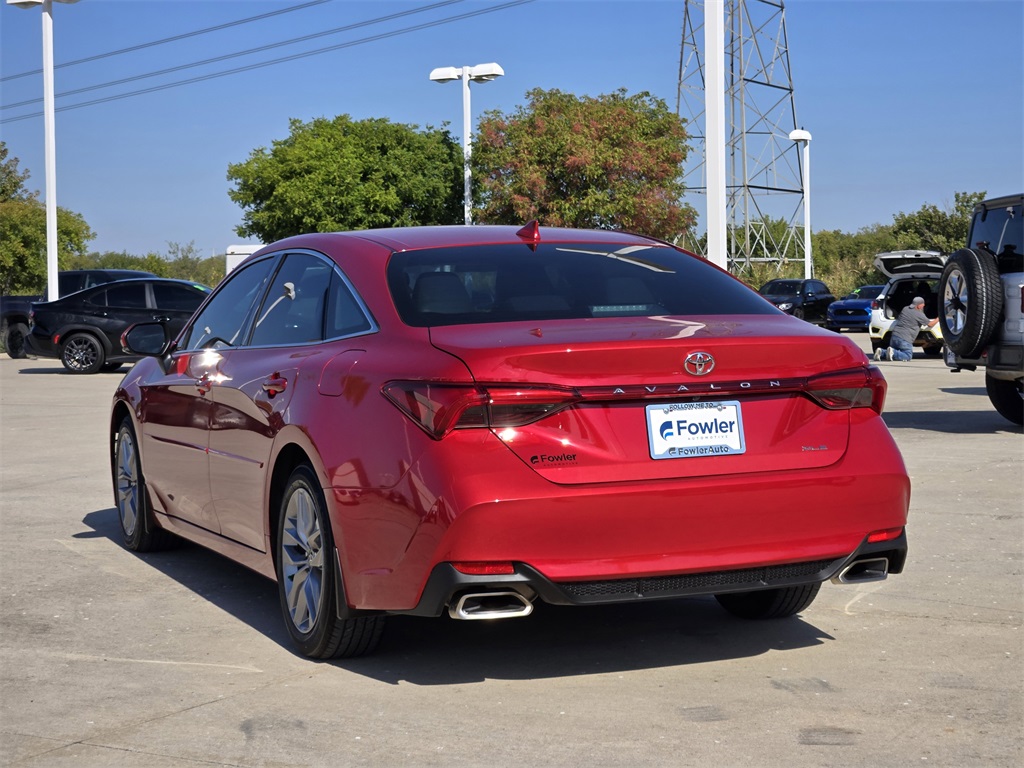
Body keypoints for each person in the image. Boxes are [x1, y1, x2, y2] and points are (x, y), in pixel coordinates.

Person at [875, 296, 938, 361]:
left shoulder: (905, 309)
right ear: (918, 306)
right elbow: (930, 324)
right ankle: (893, 352)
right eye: (923, 305)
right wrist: (939, 318)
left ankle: (882, 352)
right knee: (907, 356)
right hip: (905, 339)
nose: (923, 306)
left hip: (894, 336)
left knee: (892, 352)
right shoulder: (919, 314)